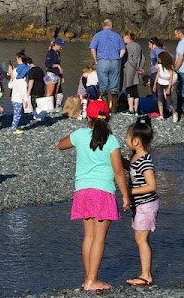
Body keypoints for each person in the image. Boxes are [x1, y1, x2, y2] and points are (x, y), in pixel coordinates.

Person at [57, 100, 130, 292]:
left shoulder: (80, 135)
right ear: (109, 117)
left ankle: (88, 277)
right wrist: (126, 196)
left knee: (88, 236)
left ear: (88, 117)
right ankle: (92, 281)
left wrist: (77, 140)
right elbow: (118, 172)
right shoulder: (111, 140)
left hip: (82, 190)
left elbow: (61, 145)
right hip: (103, 191)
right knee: (99, 238)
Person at [124, 116, 157, 288]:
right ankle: (145, 273)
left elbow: (151, 185)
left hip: (146, 205)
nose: (126, 140)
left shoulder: (144, 160)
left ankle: (146, 276)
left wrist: (129, 192)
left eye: (128, 137)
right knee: (141, 238)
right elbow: (131, 169)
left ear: (136, 141)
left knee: (141, 239)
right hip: (140, 205)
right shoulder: (135, 157)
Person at [89, 19, 126, 100]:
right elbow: (123, 50)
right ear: (111, 25)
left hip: (102, 61)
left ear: (103, 25)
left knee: (103, 86)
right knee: (114, 87)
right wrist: (118, 58)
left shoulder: (98, 35)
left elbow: (92, 49)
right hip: (114, 62)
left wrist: (95, 60)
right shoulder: (117, 36)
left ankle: (104, 107)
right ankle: (113, 108)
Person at [8, 56, 31, 134]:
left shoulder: (16, 79)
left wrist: (12, 78)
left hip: (13, 99)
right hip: (19, 100)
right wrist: (26, 101)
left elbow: (9, 86)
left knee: (16, 114)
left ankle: (14, 127)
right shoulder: (23, 82)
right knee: (17, 115)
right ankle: (14, 129)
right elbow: (24, 93)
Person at [122, 32, 144, 114]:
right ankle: (136, 109)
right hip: (137, 69)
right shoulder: (138, 45)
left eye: (123, 37)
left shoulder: (128, 46)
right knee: (135, 89)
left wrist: (136, 68)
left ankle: (131, 109)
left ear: (128, 37)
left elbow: (130, 59)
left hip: (129, 69)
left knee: (129, 88)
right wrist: (140, 68)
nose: (123, 38)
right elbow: (143, 58)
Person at [24, 56, 47, 128]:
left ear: (28, 64)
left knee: (35, 104)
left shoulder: (31, 71)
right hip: (41, 89)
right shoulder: (40, 69)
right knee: (41, 104)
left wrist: (28, 92)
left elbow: (31, 81)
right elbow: (44, 80)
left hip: (35, 90)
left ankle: (37, 117)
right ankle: (41, 117)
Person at [154, 52, 176, 121]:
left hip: (167, 83)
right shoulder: (160, 66)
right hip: (160, 83)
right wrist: (155, 84)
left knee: (168, 99)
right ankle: (161, 115)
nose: (158, 60)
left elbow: (171, 78)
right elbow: (158, 74)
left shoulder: (170, 67)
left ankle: (174, 112)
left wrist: (169, 87)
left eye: (159, 59)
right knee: (160, 98)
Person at [46, 37, 65, 109]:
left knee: (56, 94)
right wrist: (57, 66)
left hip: (57, 75)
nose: (61, 48)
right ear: (56, 45)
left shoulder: (58, 53)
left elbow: (59, 65)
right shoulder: (50, 53)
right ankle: (47, 109)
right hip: (51, 74)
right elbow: (47, 64)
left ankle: (53, 108)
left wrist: (61, 76)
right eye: (60, 46)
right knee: (50, 93)